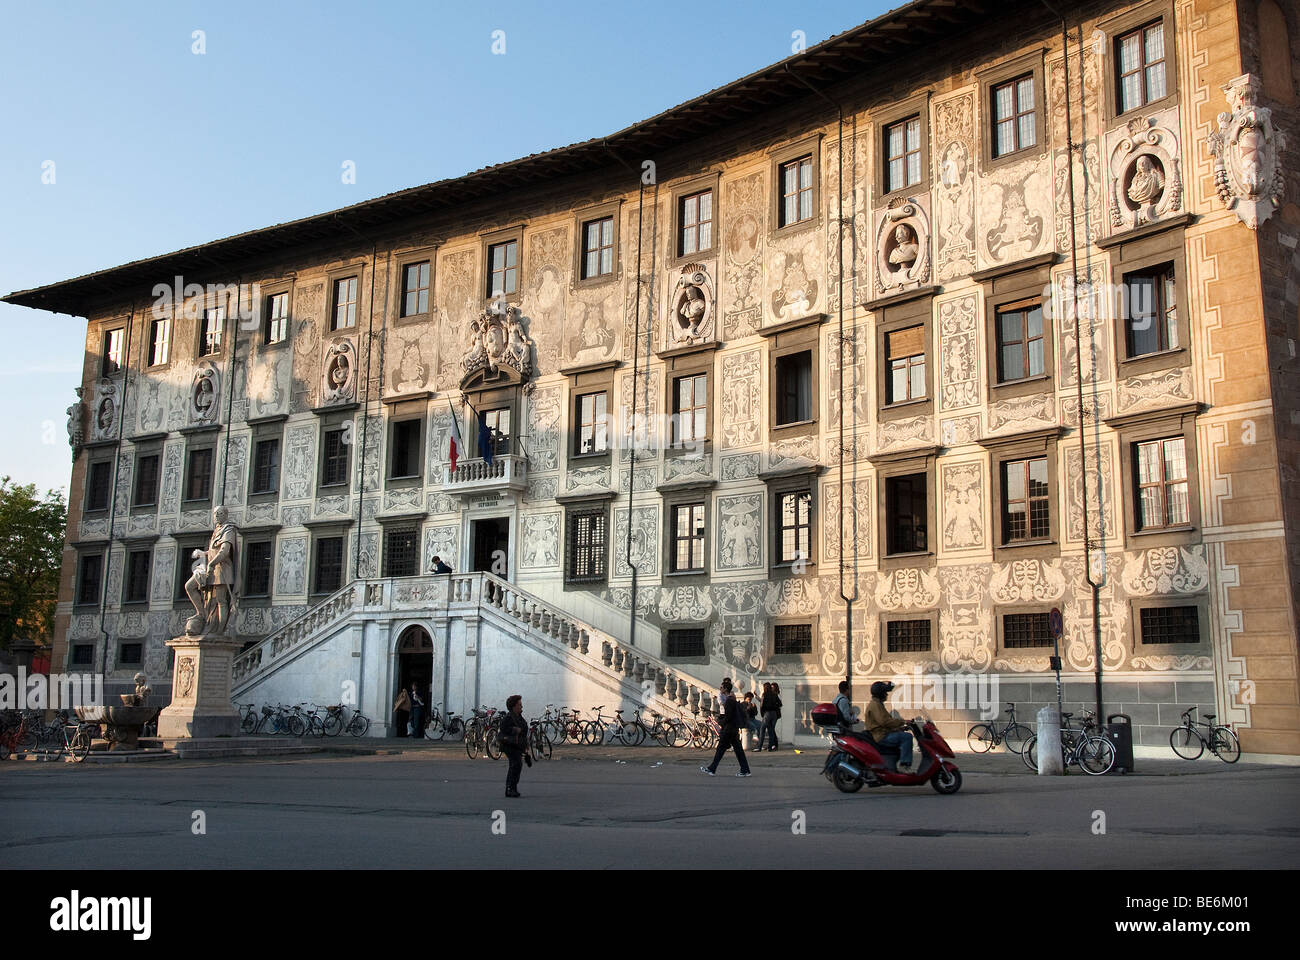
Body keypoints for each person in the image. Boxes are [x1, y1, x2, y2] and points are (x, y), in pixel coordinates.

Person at [701, 678, 751, 777]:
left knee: (721, 749)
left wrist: (721, 722)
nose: (720, 689)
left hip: (728, 729)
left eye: (721, 688)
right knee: (737, 750)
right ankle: (745, 770)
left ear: (725, 689)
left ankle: (712, 769)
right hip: (733, 729)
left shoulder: (729, 701)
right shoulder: (732, 699)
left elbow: (728, 716)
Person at [865, 680, 915, 772]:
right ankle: (904, 765)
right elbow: (885, 722)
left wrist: (900, 728)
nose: (886, 695)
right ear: (881, 694)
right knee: (907, 737)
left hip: (882, 734)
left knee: (902, 735)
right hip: (880, 737)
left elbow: (885, 724)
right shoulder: (875, 705)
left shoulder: (877, 704)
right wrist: (903, 721)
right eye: (885, 693)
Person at [499, 694, 529, 797]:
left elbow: (524, 731)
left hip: (517, 746)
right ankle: (510, 788)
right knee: (515, 764)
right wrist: (515, 730)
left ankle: (512, 788)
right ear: (514, 706)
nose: (521, 706)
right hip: (510, 746)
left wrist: (526, 747)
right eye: (519, 704)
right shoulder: (509, 718)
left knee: (516, 765)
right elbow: (503, 729)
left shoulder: (519, 717)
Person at [758, 682, 782, 752]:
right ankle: (770, 747)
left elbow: (762, 705)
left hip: (767, 713)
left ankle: (759, 747)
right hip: (774, 714)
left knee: (762, 729)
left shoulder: (765, 694)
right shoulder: (774, 694)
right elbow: (780, 704)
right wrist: (774, 706)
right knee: (771, 730)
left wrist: (763, 713)